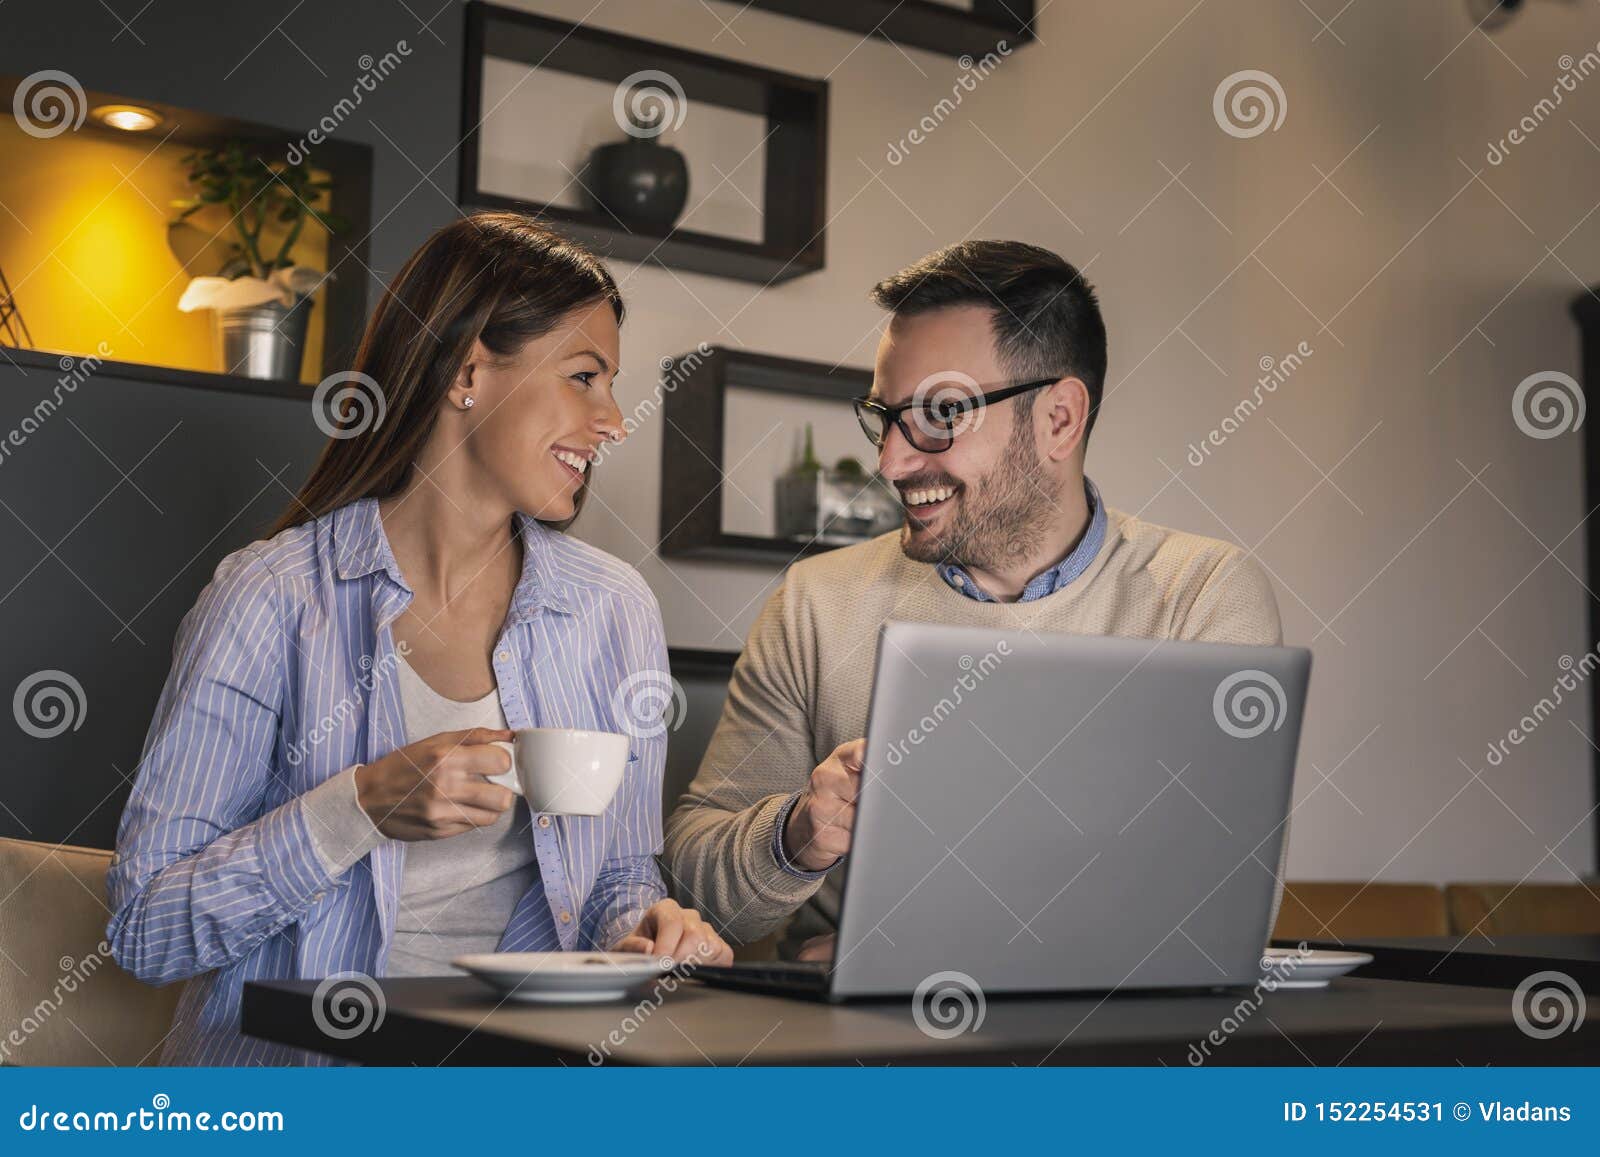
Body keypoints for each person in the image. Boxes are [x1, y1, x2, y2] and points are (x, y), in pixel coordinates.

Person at [108, 213, 730, 1066]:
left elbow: (619, 874)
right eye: (585, 377)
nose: (615, 418)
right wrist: (358, 805)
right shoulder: (272, 597)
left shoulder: (613, 611)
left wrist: (646, 927)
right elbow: (147, 930)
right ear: (469, 370)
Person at [662, 240, 1284, 961]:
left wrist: (903, 952)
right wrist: (796, 835)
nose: (891, 460)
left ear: (1058, 419)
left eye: (941, 413)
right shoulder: (816, 604)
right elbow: (695, 891)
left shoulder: (1201, 596)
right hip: (859, 1060)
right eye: (885, 417)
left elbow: (1223, 900)